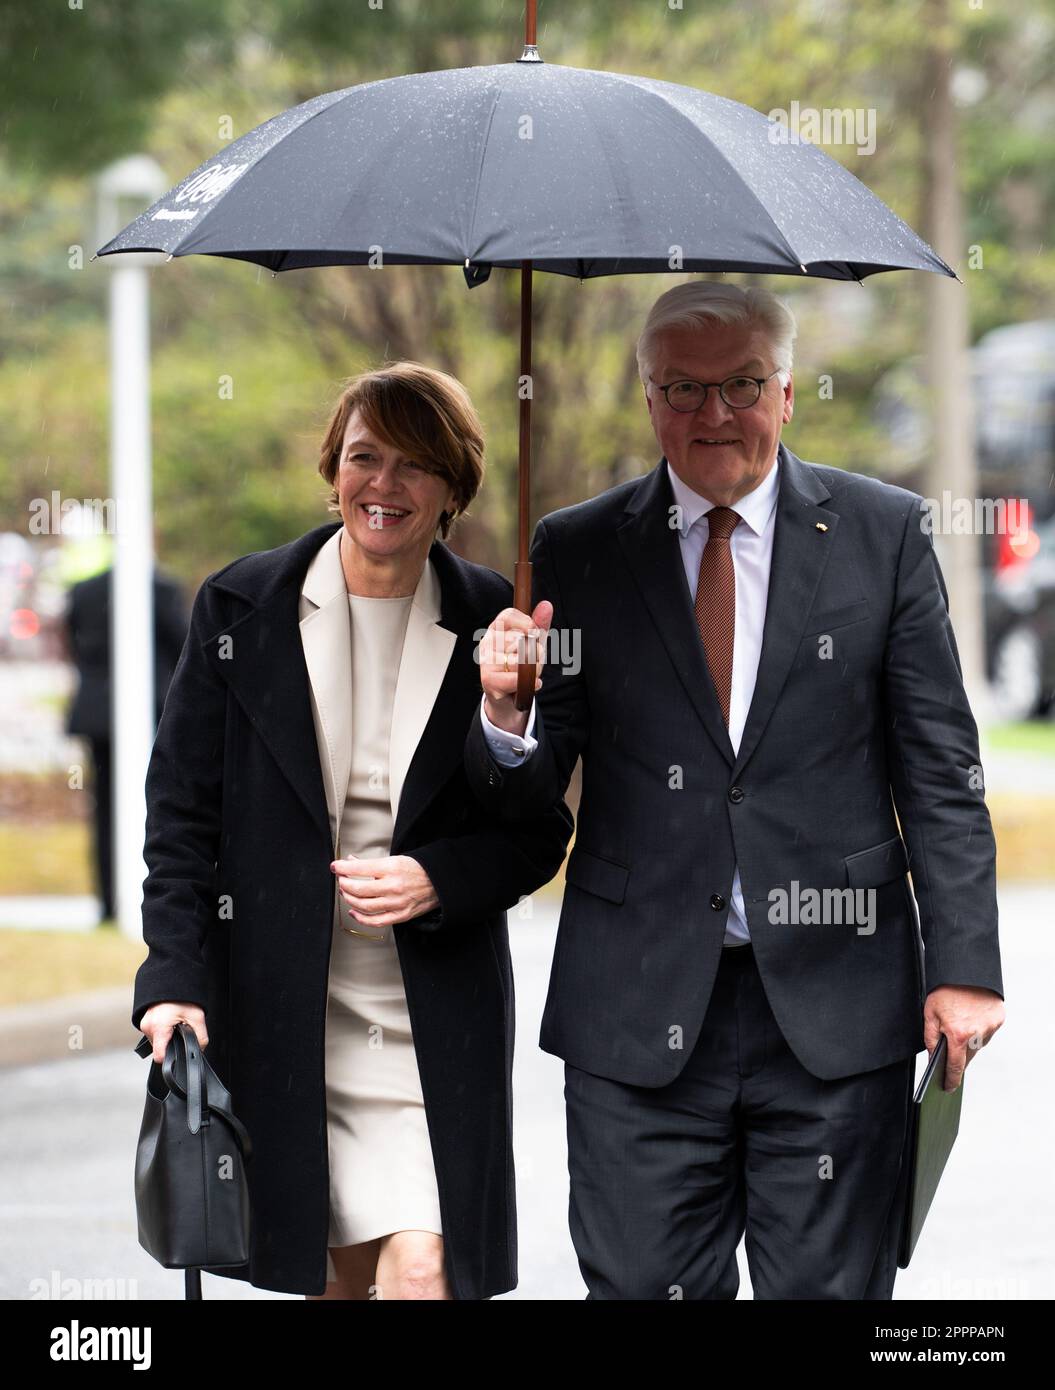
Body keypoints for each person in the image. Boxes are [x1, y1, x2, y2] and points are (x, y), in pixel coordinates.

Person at [465, 281, 1006, 1300]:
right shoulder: (576, 549)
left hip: (836, 1012)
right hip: (635, 1015)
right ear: (647, 399)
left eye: (741, 385)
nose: (713, 414)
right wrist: (507, 715)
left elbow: (938, 765)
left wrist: (964, 964)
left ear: (787, 391)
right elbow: (530, 804)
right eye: (683, 388)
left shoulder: (880, 533)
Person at [132, 361, 572, 1301]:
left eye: (416, 464)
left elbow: (536, 833)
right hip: (285, 1008)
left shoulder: (495, 621)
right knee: (331, 1279)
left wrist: (446, 858)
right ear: (334, 468)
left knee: (424, 1267)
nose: (385, 484)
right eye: (365, 457)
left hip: (427, 1014)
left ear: (453, 487)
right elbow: (181, 815)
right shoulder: (240, 606)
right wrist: (170, 979)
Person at [64, 566, 187, 922]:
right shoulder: (160, 588)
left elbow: (75, 644)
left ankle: (108, 901)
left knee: (105, 808)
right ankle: (141, 899)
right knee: (158, 806)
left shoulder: (83, 588)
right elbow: (181, 645)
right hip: (147, 712)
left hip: (97, 713)